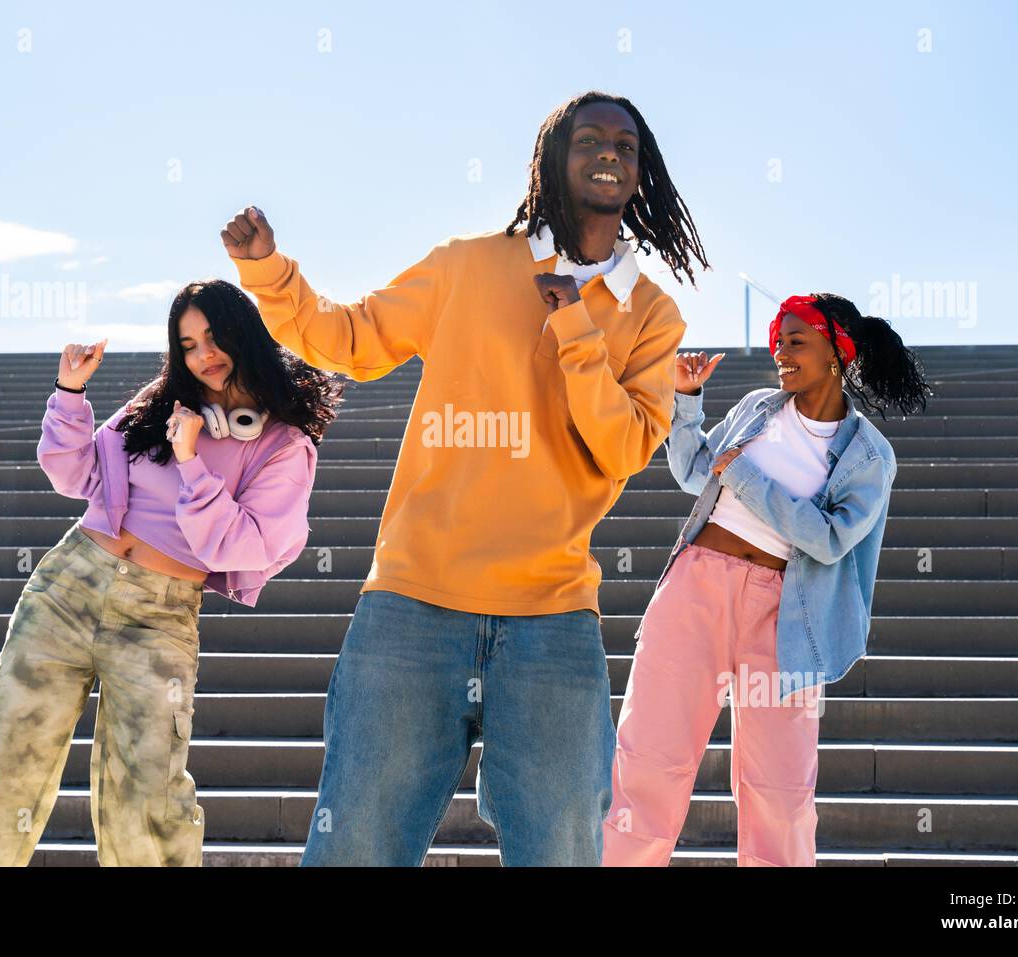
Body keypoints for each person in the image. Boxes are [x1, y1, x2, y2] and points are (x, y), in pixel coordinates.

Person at [219, 90, 710, 865]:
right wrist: (269, 274)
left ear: (641, 172)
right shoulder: (467, 264)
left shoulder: (652, 314)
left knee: (562, 855)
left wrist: (575, 326)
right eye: (589, 139)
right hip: (413, 603)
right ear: (553, 157)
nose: (609, 154)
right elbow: (352, 338)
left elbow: (621, 447)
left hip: (553, 619)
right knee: (356, 848)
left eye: (625, 145)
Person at [0, 279, 340, 866]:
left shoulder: (282, 444)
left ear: (245, 333)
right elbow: (76, 476)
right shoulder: (162, 401)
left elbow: (247, 544)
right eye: (188, 345)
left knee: (147, 798)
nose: (203, 355)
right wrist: (70, 393)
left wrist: (192, 461)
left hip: (159, 615)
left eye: (214, 337)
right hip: (69, 586)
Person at [602, 293, 930, 867]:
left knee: (780, 790)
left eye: (796, 341)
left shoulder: (869, 456)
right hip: (697, 589)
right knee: (648, 762)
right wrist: (687, 401)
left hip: (789, 616)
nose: (781, 352)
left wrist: (749, 479)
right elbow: (697, 472)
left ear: (838, 352)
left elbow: (829, 537)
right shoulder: (758, 408)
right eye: (778, 341)